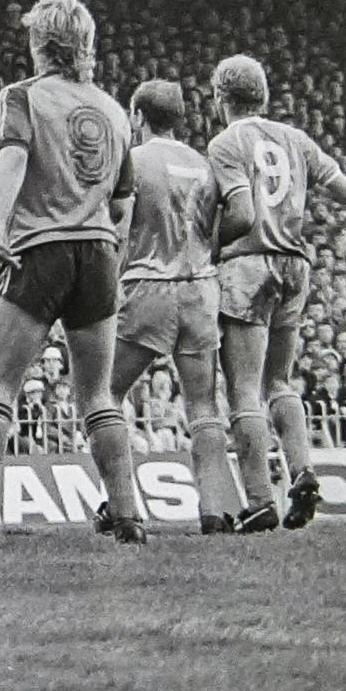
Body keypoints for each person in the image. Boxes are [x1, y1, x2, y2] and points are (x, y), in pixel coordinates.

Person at [0, 0, 142, 546]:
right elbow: (124, 204)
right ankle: (127, 514)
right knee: (97, 396)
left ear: (41, 43)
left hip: (41, 249)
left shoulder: (21, 97)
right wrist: (111, 252)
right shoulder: (111, 108)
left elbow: (12, 157)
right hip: (99, 254)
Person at [208, 54, 346, 532]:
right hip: (296, 265)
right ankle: (303, 471)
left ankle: (259, 500)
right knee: (280, 382)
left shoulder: (225, 142)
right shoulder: (295, 139)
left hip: (249, 264)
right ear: (265, 96)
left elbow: (241, 213)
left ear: (221, 98)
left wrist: (212, 245)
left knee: (243, 391)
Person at [108, 79, 236, 533]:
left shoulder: (134, 160)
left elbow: (116, 223)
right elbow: (224, 223)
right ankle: (215, 510)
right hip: (201, 288)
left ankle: (121, 508)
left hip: (149, 285)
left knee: (104, 395)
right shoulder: (203, 164)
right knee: (202, 403)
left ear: (138, 117)